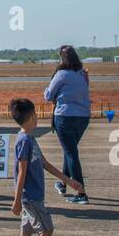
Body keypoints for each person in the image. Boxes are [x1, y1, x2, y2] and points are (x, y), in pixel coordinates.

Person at [9, 97, 82, 236]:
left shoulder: (29, 138)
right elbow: (21, 171)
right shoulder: (24, 140)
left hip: (31, 196)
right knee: (46, 229)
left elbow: (44, 163)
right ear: (32, 116)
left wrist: (69, 181)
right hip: (30, 197)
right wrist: (17, 201)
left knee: (26, 231)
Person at [43, 44, 91, 204]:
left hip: (65, 117)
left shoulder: (61, 74)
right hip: (83, 117)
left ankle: (81, 192)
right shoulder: (82, 74)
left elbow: (49, 96)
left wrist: (46, 90)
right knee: (69, 150)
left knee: (71, 153)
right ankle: (62, 183)